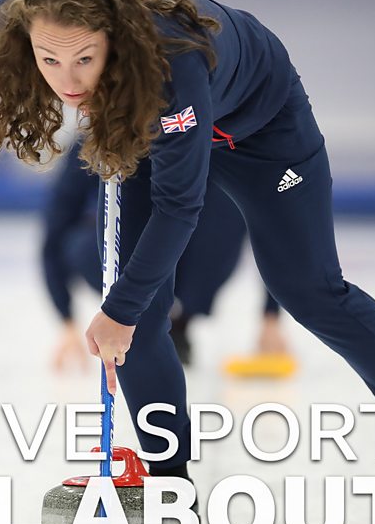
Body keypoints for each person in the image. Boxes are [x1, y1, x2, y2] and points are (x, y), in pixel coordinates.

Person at [0, 0, 375, 524]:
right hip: (145, 123)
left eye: (86, 58)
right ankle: (173, 485)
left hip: (262, 133)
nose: (69, 81)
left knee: (309, 290)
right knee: (134, 302)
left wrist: (116, 313)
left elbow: (180, 206)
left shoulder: (172, 64)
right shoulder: (27, 6)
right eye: (50, 60)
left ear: (112, 37)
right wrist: (125, 310)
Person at [42, 132, 292, 370]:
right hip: (130, 266)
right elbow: (55, 231)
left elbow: (268, 225)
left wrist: (270, 318)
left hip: (197, 263)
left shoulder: (224, 136)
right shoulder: (99, 136)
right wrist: (67, 322)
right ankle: (143, 315)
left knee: (225, 202)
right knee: (90, 237)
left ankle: (163, 316)